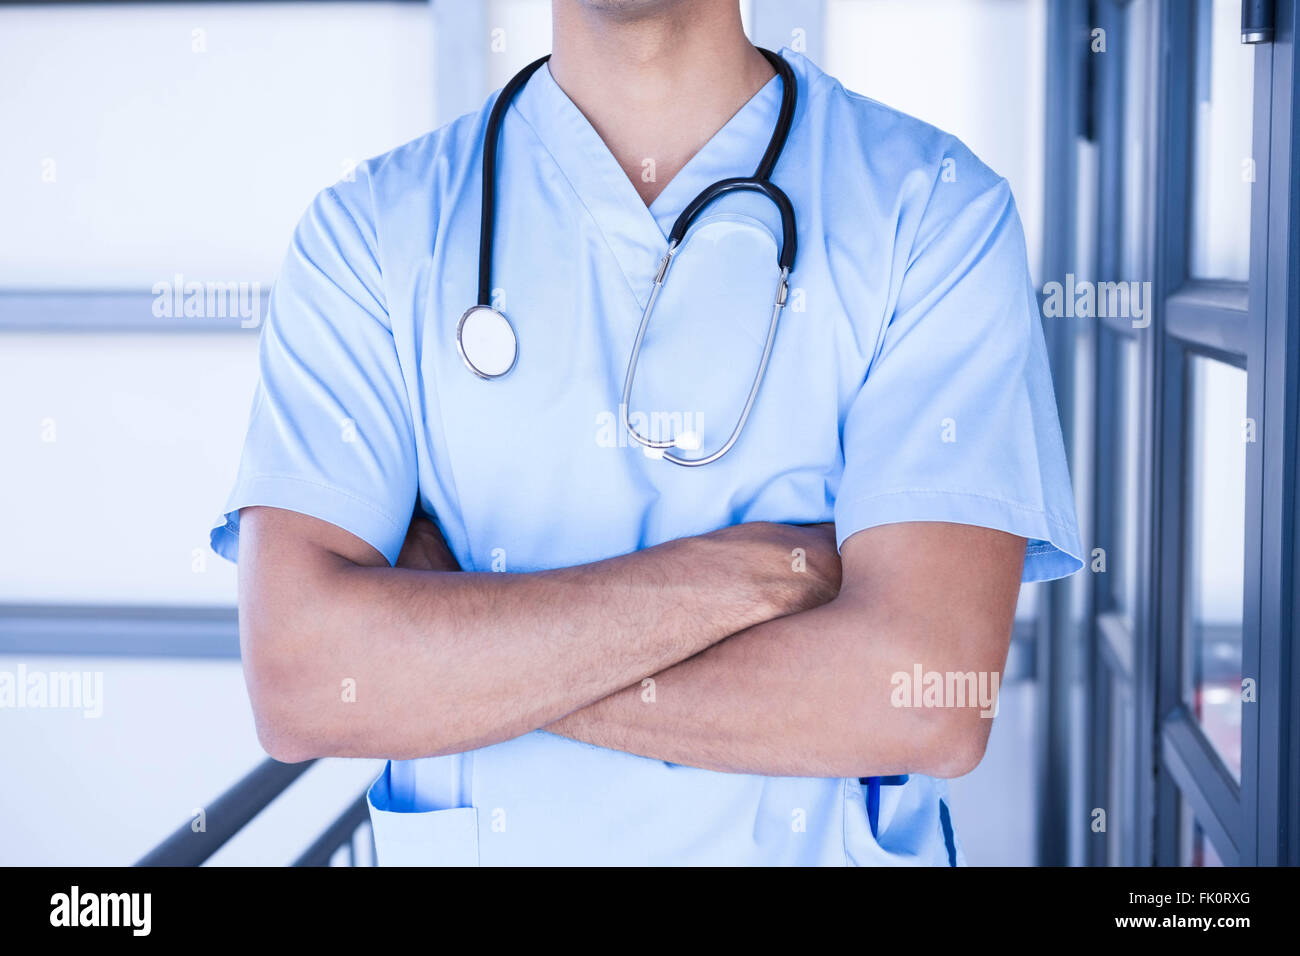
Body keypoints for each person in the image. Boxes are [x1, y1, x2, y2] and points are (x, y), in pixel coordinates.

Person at [212, 0, 1082, 866]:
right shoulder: (367, 232)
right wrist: (747, 576)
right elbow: (305, 683)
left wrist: (457, 652)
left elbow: (923, 700)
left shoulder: (932, 209)